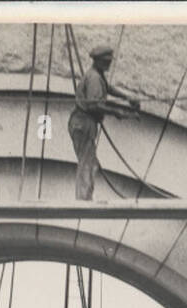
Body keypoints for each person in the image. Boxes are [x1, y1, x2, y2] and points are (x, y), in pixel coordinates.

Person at [68, 44, 140, 201]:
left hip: (83, 123)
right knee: (87, 163)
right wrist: (117, 112)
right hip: (84, 123)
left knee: (90, 163)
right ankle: (83, 200)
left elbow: (108, 88)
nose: (109, 64)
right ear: (99, 61)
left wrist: (127, 97)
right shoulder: (94, 78)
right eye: (106, 61)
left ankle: (85, 197)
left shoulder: (97, 74)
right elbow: (94, 104)